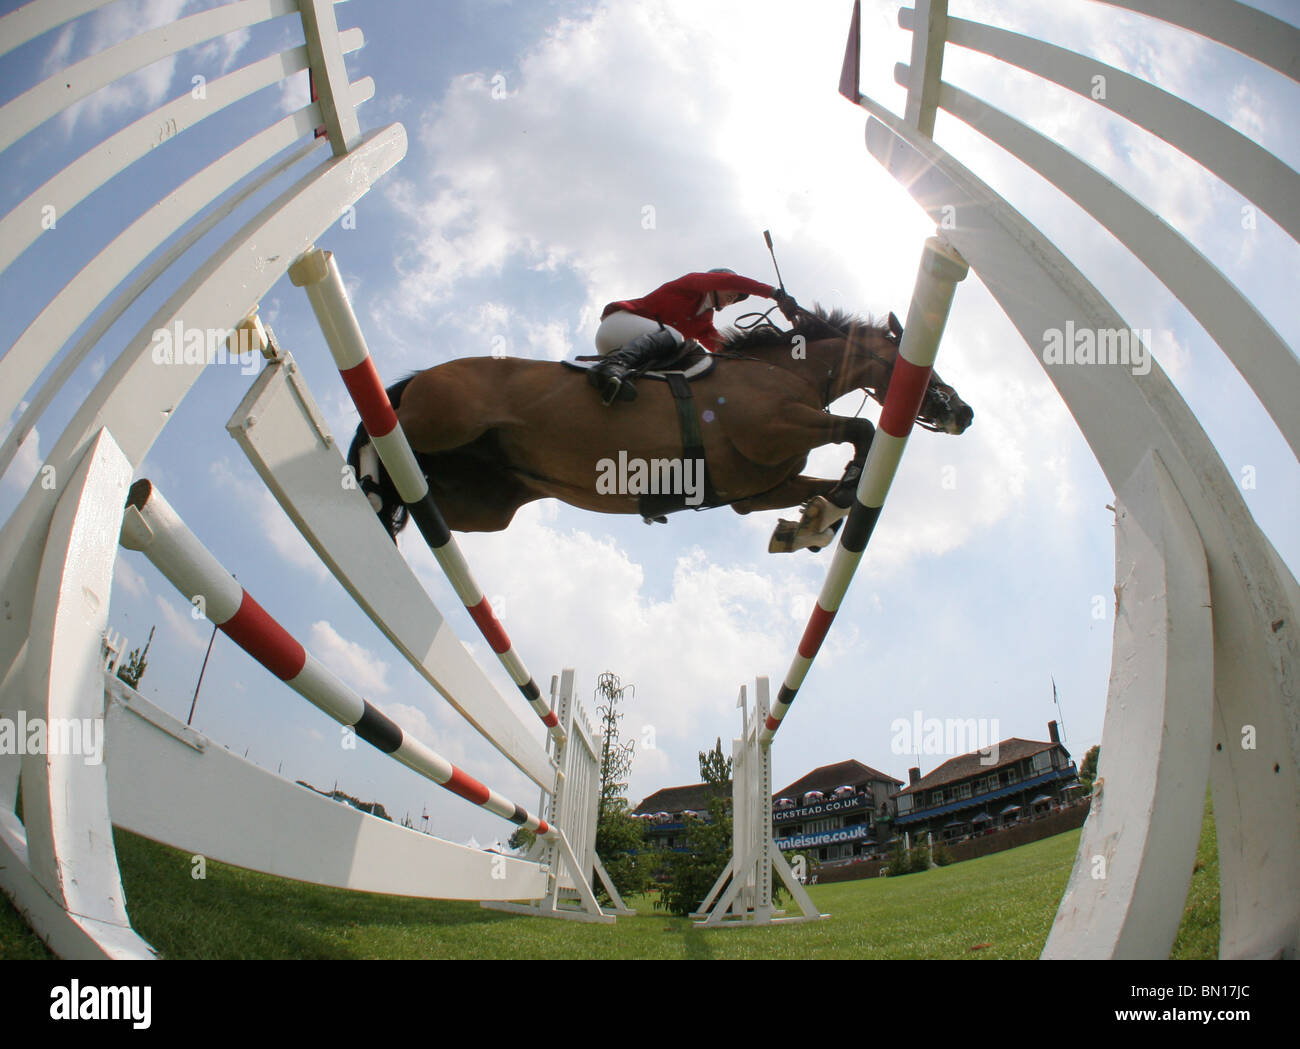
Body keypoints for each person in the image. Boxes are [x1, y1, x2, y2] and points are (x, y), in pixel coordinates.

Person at [588, 268, 799, 404]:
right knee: (677, 337)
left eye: (736, 299)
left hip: (631, 346)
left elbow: (726, 351)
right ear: (715, 282)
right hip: (617, 325)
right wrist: (775, 294)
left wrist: (768, 363)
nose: (735, 297)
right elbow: (730, 279)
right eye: (733, 290)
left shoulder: (703, 324)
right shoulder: (691, 284)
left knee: (693, 358)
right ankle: (613, 365)